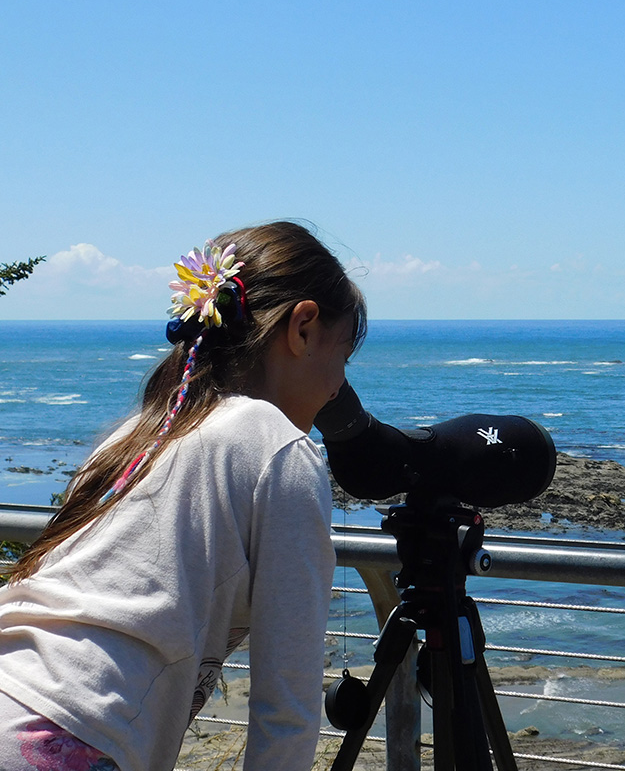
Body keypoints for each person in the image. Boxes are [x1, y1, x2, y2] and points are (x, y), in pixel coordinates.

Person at [0, 221, 366, 771]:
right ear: (304, 328)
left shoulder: (135, 436)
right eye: (343, 357)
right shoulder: (279, 450)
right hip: (70, 731)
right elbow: (287, 705)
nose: (338, 386)